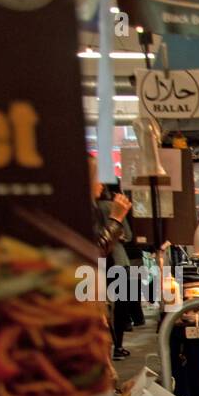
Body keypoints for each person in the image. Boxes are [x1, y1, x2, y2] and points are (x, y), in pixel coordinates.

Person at [87, 153, 134, 359]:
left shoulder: (96, 207)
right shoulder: (97, 210)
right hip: (112, 266)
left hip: (101, 275)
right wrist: (116, 220)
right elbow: (96, 248)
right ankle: (118, 345)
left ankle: (116, 345)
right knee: (120, 306)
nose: (100, 184)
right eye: (97, 177)